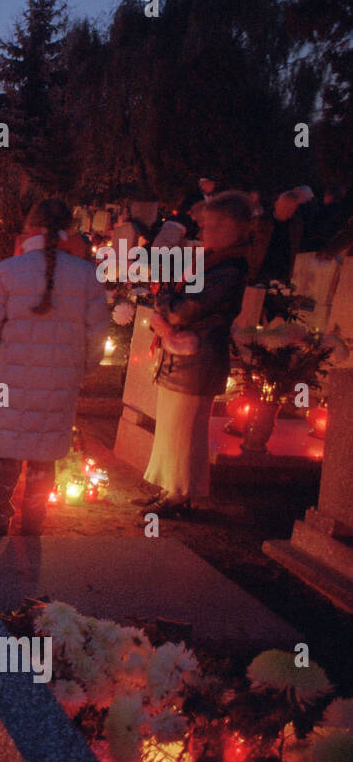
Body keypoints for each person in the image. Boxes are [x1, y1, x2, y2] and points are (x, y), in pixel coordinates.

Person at [0, 199, 110, 536]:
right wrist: (83, 370)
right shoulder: (86, 276)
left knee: (6, 450)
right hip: (60, 378)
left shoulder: (6, 272)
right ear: (70, 230)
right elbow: (97, 333)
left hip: (6, 380)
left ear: (30, 228)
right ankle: (34, 519)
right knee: (44, 453)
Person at [137, 191, 253, 517]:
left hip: (198, 358)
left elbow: (184, 310)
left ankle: (180, 492)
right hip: (185, 357)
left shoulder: (228, 269)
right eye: (205, 225)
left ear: (236, 229)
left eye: (214, 226)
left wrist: (163, 300)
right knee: (173, 426)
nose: (205, 233)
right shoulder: (214, 261)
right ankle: (170, 486)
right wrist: (169, 296)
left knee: (185, 430)